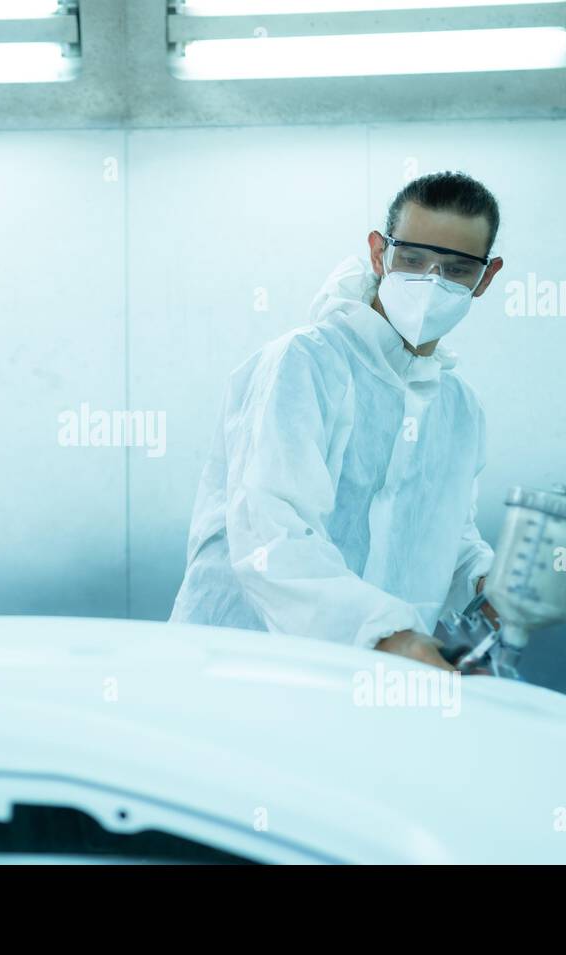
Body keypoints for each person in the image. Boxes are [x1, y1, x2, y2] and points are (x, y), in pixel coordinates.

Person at [169, 171, 505, 670]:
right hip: (239, 670)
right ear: (378, 253)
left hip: (369, 680)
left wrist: (485, 581)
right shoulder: (304, 365)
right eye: (412, 260)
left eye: (456, 270)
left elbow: (448, 533)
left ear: (486, 278)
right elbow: (272, 531)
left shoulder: (458, 408)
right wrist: (387, 634)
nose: (431, 283)